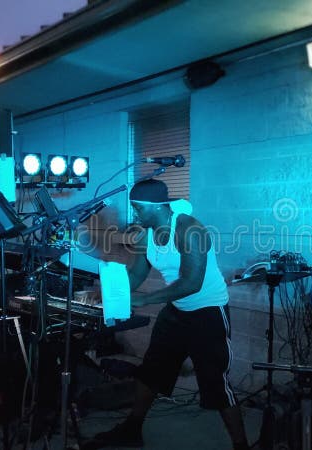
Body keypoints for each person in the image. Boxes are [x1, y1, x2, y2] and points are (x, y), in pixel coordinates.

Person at [84, 179, 248, 449]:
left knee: (216, 383)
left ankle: (241, 445)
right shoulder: (145, 234)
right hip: (177, 311)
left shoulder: (189, 228)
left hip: (207, 311)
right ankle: (132, 429)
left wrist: (147, 299)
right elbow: (138, 272)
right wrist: (113, 297)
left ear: (157, 207)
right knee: (151, 371)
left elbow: (191, 282)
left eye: (138, 208)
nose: (134, 213)